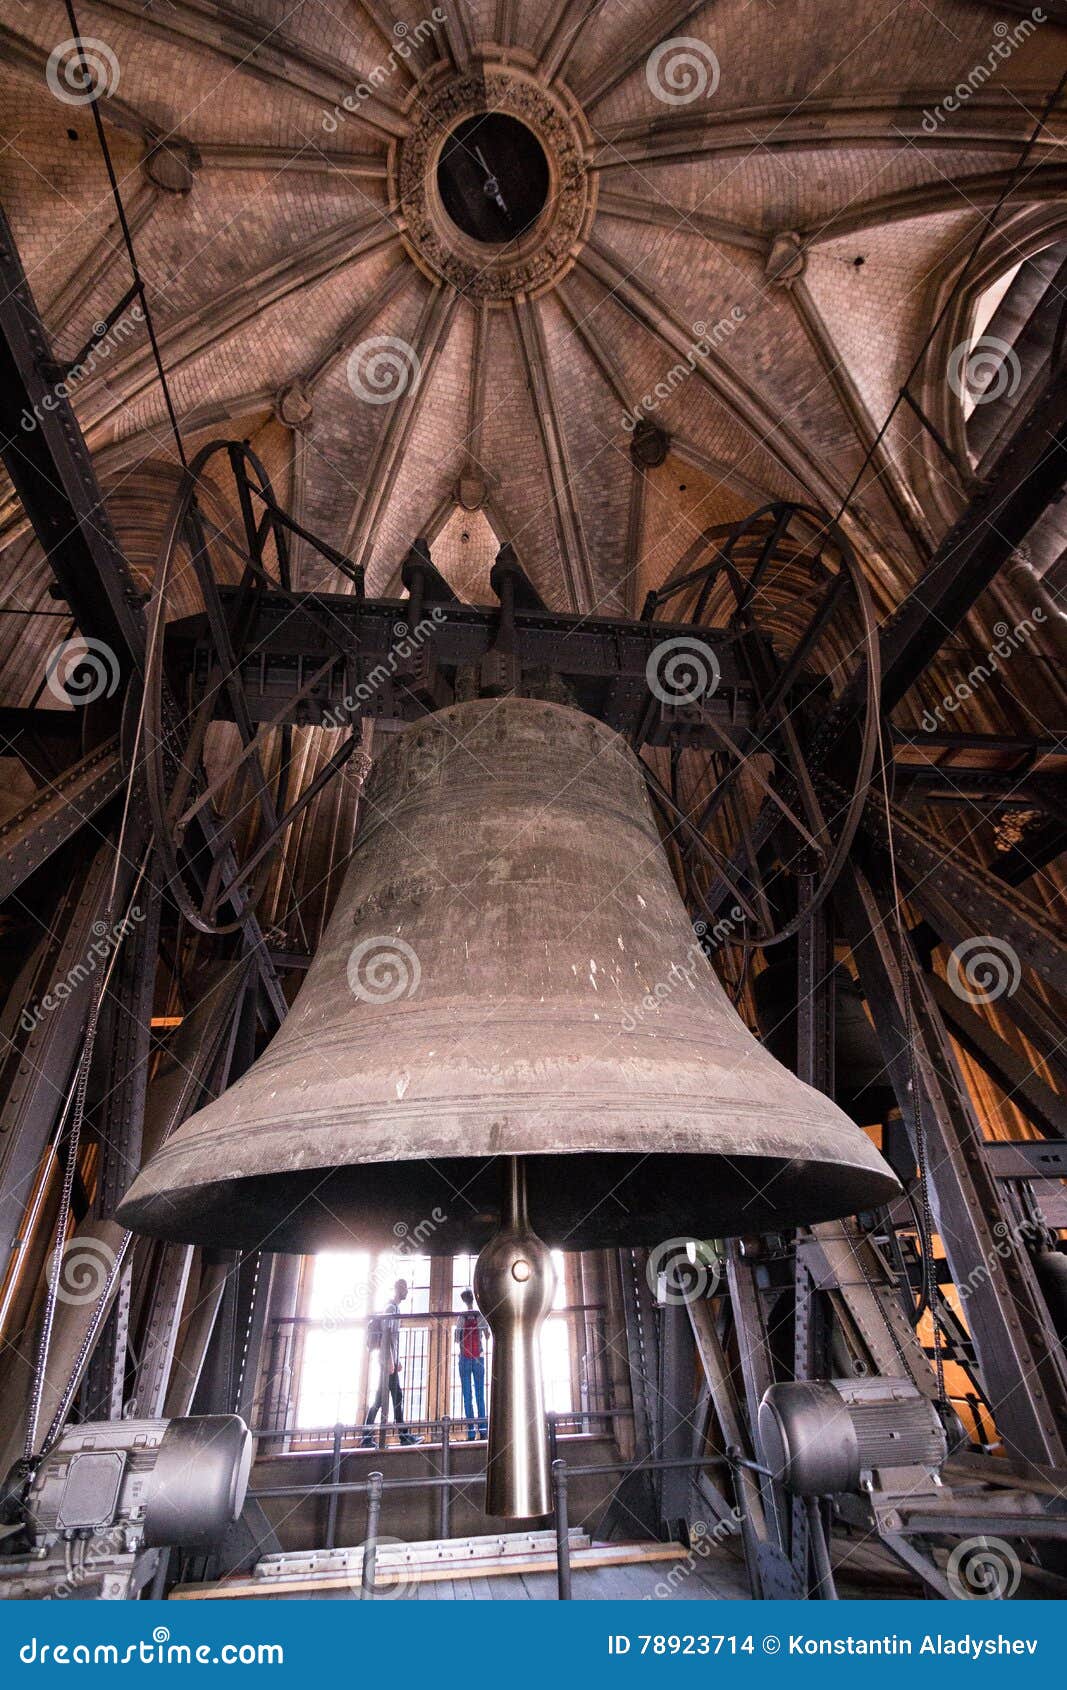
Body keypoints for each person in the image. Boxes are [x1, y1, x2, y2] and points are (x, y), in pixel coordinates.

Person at [361, 1278, 422, 1447]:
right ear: (397, 1289)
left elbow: (393, 1339)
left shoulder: (395, 1308)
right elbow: (386, 1336)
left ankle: (368, 1437)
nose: (406, 1292)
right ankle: (402, 1436)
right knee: (393, 1397)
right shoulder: (390, 1308)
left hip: (389, 1361)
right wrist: (390, 1361)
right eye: (404, 1288)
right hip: (386, 1362)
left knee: (383, 1399)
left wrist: (397, 1360)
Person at [453, 1287, 489, 1440]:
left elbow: (456, 1339)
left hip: (465, 1358)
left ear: (463, 1300)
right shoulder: (479, 1315)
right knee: (480, 1395)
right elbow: (487, 1335)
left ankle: (470, 1433)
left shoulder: (461, 1317)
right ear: (473, 1299)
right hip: (478, 1358)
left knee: (467, 1396)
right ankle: (483, 1431)